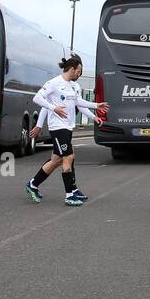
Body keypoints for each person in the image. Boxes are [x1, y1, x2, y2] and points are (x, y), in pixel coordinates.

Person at [26, 54, 108, 206]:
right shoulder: (54, 83)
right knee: (68, 157)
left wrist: (96, 109)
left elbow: (79, 103)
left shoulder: (73, 85)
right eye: (79, 71)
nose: (79, 74)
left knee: (56, 159)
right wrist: (53, 109)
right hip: (58, 127)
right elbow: (37, 98)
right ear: (72, 69)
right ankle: (70, 194)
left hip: (68, 126)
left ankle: (33, 184)